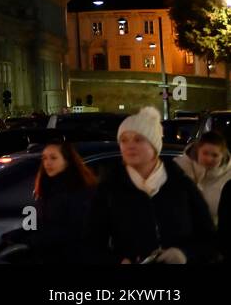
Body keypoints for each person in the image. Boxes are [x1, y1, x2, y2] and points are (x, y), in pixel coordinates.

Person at [87, 107, 215, 264]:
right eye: (124, 140)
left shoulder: (181, 184)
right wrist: (119, 260)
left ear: (154, 145)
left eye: (138, 139)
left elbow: (209, 238)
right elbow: (91, 244)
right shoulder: (109, 189)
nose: (130, 145)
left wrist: (184, 254)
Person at [23, 139, 96, 263]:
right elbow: (36, 222)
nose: (47, 163)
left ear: (67, 161)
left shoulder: (78, 190)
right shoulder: (46, 187)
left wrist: (36, 239)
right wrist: (20, 235)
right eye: (44, 158)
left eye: (53, 158)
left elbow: (75, 231)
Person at [174, 130, 230, 242]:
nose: (209, 159)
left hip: (217, 240)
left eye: (215, 155)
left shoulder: (228, 176)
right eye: (205, 153)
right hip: (181, 240)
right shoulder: (178, 168)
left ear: (222, 155)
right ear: (197, 151)